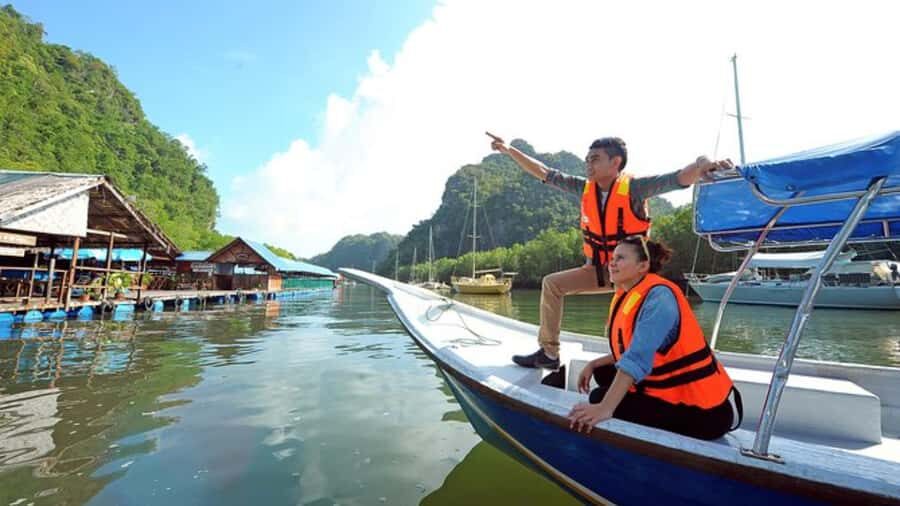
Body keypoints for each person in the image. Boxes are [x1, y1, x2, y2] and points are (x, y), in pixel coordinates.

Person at [487, 132, 734, 369]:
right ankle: (549, 352)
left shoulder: (636, 189)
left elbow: (679, 178)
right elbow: (543, 172)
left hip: (632, 276)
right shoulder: (583, 188)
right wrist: (509, 150)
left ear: (615, 162)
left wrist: (703, 164)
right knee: (551, 284)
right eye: (587, 159)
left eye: (594, 159)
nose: (588, 164)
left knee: (622, 322)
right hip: (598, 270)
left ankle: (644, 361)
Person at [567, 236, 741, 440]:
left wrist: (604, 408)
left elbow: (636, 358)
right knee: (603, 372)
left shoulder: (659, 299)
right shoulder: (630, 293)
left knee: (599, 397)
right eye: (613, 258)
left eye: (620, 258)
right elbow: (631, 350)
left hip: (706, 413)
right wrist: (594, 363)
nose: (611, 263)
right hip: (677, 392)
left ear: (643, 266)